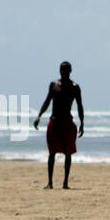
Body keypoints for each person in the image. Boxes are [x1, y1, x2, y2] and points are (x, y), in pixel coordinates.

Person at [33, 61, 84, 189]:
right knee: (52, 153)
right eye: (62, 69)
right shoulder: (54, 85)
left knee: (68, 153)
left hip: (67, 122)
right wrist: (39, 116)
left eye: (66, 70)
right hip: (54, 122)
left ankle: (65, 182)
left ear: (70, 71)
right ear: (59, 71)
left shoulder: (74, 87)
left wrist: (82, 123)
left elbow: (79, 106)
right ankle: (50, 182)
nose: (64, 72)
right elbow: (47, 102)